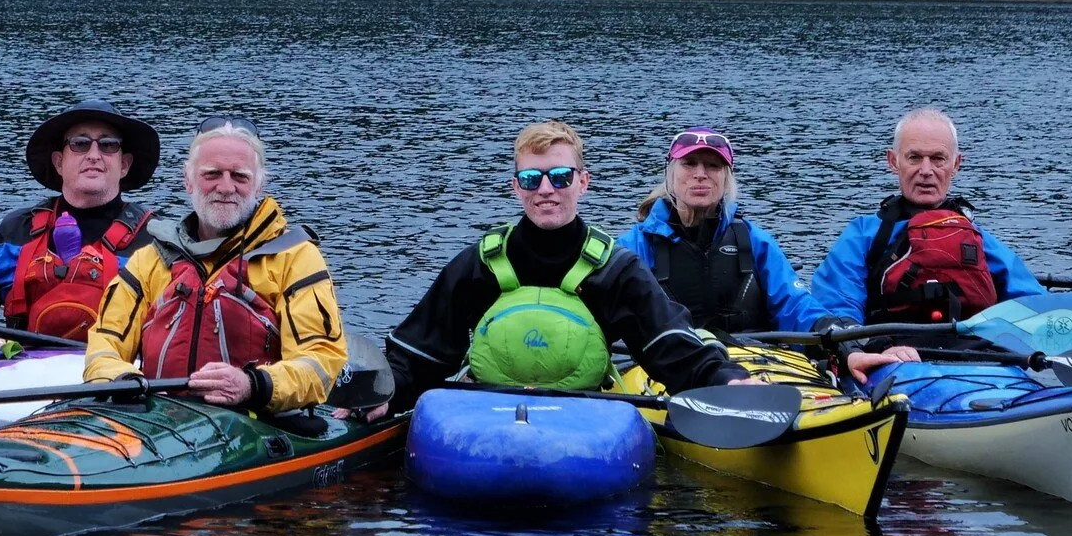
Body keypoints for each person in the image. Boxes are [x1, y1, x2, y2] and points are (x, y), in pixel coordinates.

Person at [382, 120, 747, 414]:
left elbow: (667, 342)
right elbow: (421, 348)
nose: (545, 189)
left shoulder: (614, 267)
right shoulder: (483, 261)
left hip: (583, 417)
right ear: (516, 187)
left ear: (582, 183)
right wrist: (386, 392)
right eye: (531, 178)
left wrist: (724, 378)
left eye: (560, 176)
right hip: (487, 412)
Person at [85, 119, 346, 412]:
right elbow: (104, 344)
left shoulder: (295, 257)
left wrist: (253, 384)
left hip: (254, 425)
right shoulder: (151, 259)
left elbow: (322, 359)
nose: (226, 187)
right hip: (158, 419)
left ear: (258, 184)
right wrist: (122, 380)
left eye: (240, 176)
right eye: (212, 174)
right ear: (189, 180)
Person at [811, 106, 1039, 386]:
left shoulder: (979, 240)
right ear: (893, 161)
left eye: (938, 159)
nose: (926, 171)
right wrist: (870, 347)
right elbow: (836, 306)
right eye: (915, 158)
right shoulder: (864, 236)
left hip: (977, 360)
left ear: (956, 164)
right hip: (893, 359)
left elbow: (1034, 307)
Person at [0, 101, 162, 342]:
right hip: (25, 372)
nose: (94, 155)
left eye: (108, 145)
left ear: (125, 165)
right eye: (80, 144)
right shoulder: (10, 233)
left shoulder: (160, 243)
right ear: (58, 162)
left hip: (121, 376)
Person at [615, 128, 829, 336]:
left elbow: (795, 304)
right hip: (666, 364)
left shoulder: (755, 242)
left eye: (713, 165)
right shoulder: (634, 246)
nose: (700, 174)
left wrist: (830, 328)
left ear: (726, 179)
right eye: (689, 164)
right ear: (670, 175)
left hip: (751, 359)